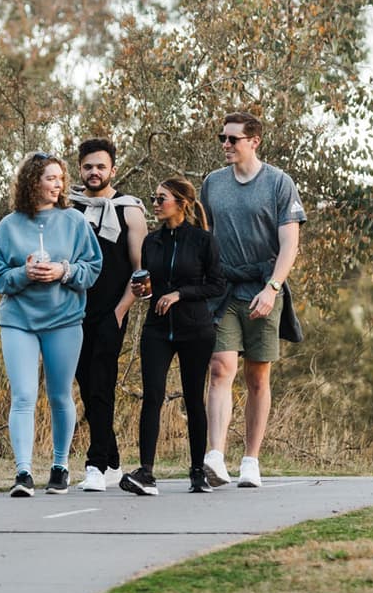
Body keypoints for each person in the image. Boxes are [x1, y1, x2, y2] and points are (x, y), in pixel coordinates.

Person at [0, 152, 102, 497]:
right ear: (32, 181)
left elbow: (92, 269)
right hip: (18, 320)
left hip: (64, 320)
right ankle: (22, 472)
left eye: (60, 178)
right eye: (51, 178)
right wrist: (24, 273)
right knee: (23, 395)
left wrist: (63, 271)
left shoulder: (74, 222)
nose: (58, 184)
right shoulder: (8, 226)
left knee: (59, 394)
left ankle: (60, 466)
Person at [200, 111, 305, 488]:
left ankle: (250, 460)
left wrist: (273, 287)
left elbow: (289, 242)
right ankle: (214, 456)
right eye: (222, 139)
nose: (226, 145)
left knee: (257, 376)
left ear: (254, 141)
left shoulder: (279, 183)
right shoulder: (212, 184)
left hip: (263, 287)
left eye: (233, 139)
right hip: (224, 288)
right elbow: (204, 236)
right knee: (219, 366)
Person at [121, 177, 226, 496]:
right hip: (157, 329)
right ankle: (146, 473)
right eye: (153, 198)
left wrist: (180, 294)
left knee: (194, 399)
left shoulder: (202, 241)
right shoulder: (151, 242)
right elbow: (149, 283)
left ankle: (197, 472)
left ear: (181, 203)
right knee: (152, 396)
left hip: (195, 329)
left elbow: (217, 285)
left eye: (161, 198)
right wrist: (143, 289)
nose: (155, 203)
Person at [67, 137, 146, 491]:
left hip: (111, 311)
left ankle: (95, 465)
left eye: (101, 166)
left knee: (102, 383)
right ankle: (112, 459)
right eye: (88, 166)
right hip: (70, 312)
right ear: (80, 169)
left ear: (113, 169)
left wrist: (119, 312)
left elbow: (140, 271)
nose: (94, 172)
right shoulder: (69, 208)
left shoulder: (128, 209)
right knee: (86, 384)